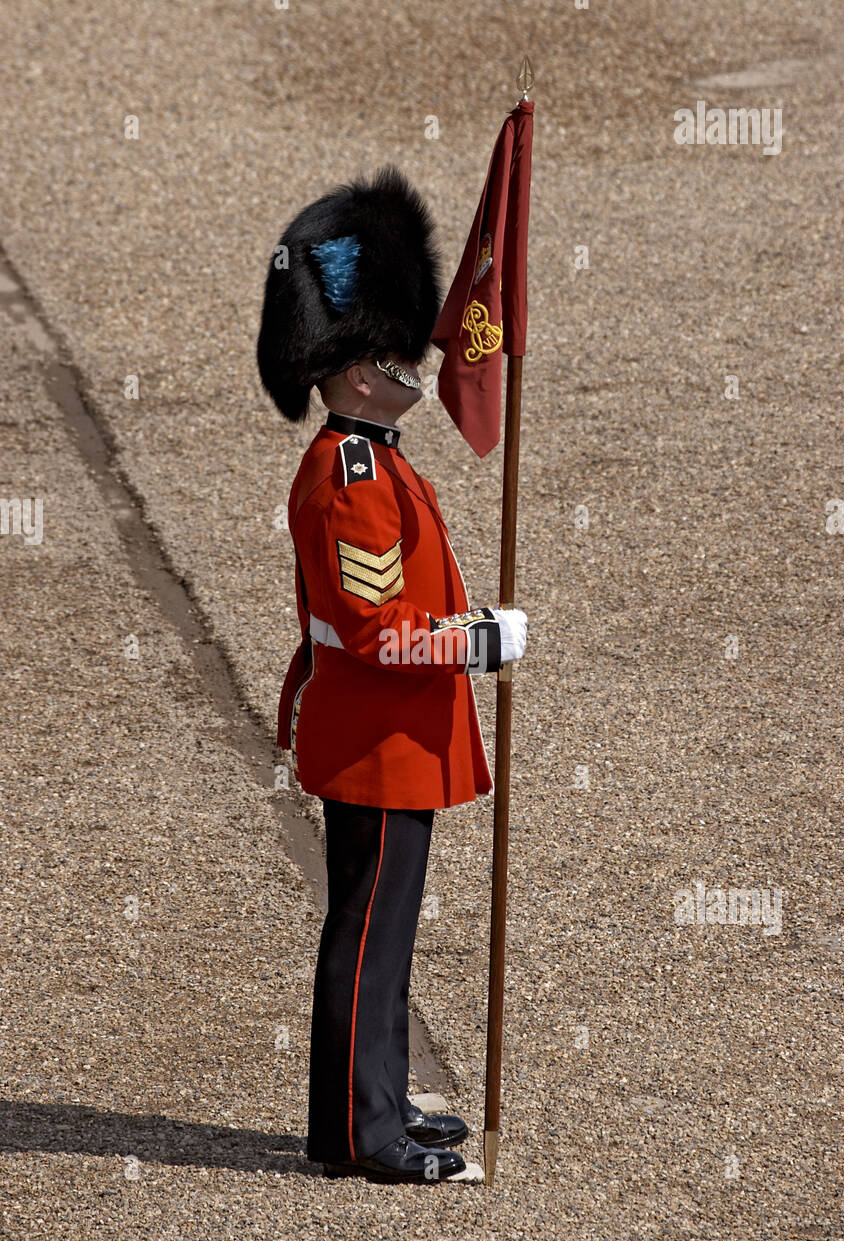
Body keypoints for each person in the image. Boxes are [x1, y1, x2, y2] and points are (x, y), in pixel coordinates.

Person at [257, 166, 528, 1183]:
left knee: (383, 940)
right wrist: (475, 640)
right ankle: (357, 1134)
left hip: (391, 739)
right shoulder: (349, 477)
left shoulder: (375, 456)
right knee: (367, 942)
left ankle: (375, 1103)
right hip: (378, 737)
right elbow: (377, 633)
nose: (410, 360)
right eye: (388, 347)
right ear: (352, 366)